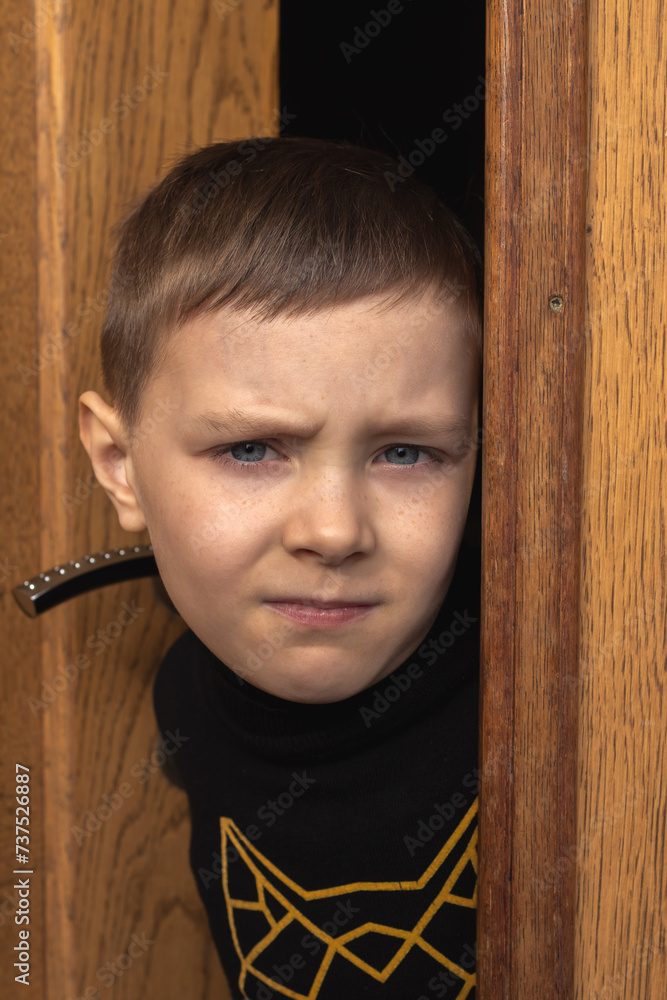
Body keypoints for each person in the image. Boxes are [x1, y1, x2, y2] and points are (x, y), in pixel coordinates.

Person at [79, 136, 482, 1000]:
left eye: (406, 452)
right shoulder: (189, 699)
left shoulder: (563, 706)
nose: (333, 532)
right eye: (252, 448)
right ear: (121, 466)